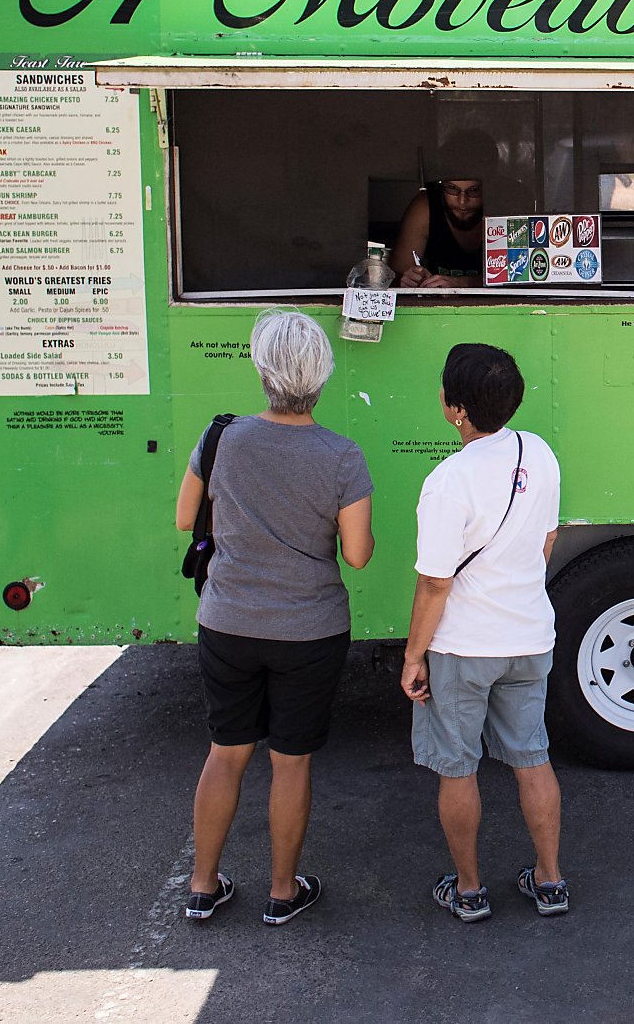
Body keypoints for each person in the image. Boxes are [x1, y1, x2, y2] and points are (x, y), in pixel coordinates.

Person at [174, 309, 375, 927]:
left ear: (262, 369)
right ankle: (282, 893)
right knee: (290, 761)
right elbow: (358, 556)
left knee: (225, 752)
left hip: (227, 621)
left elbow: (186, 518)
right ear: (323, 376)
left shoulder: (222, 439)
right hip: (309, 630)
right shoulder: (342, 456)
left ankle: (204, 886)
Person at [400, 343, 568, 922]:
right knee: (532, 757)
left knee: (458, 766)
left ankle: (469, 890)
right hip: (529, 636)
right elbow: (546, 541)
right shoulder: (539, 453)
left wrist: (412, 656)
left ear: (456, 411)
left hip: (463, 646)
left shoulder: (448, 481)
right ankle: (549, 881)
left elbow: (434, 585)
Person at [391, 176, 485, 289]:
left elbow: (511, 280)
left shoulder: (502, 207)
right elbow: (396, 275)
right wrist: (412, 280)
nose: (462, 201)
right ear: (442, 186)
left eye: (474, 190)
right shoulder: (425, 207)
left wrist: (461, 284)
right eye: (452, 188)